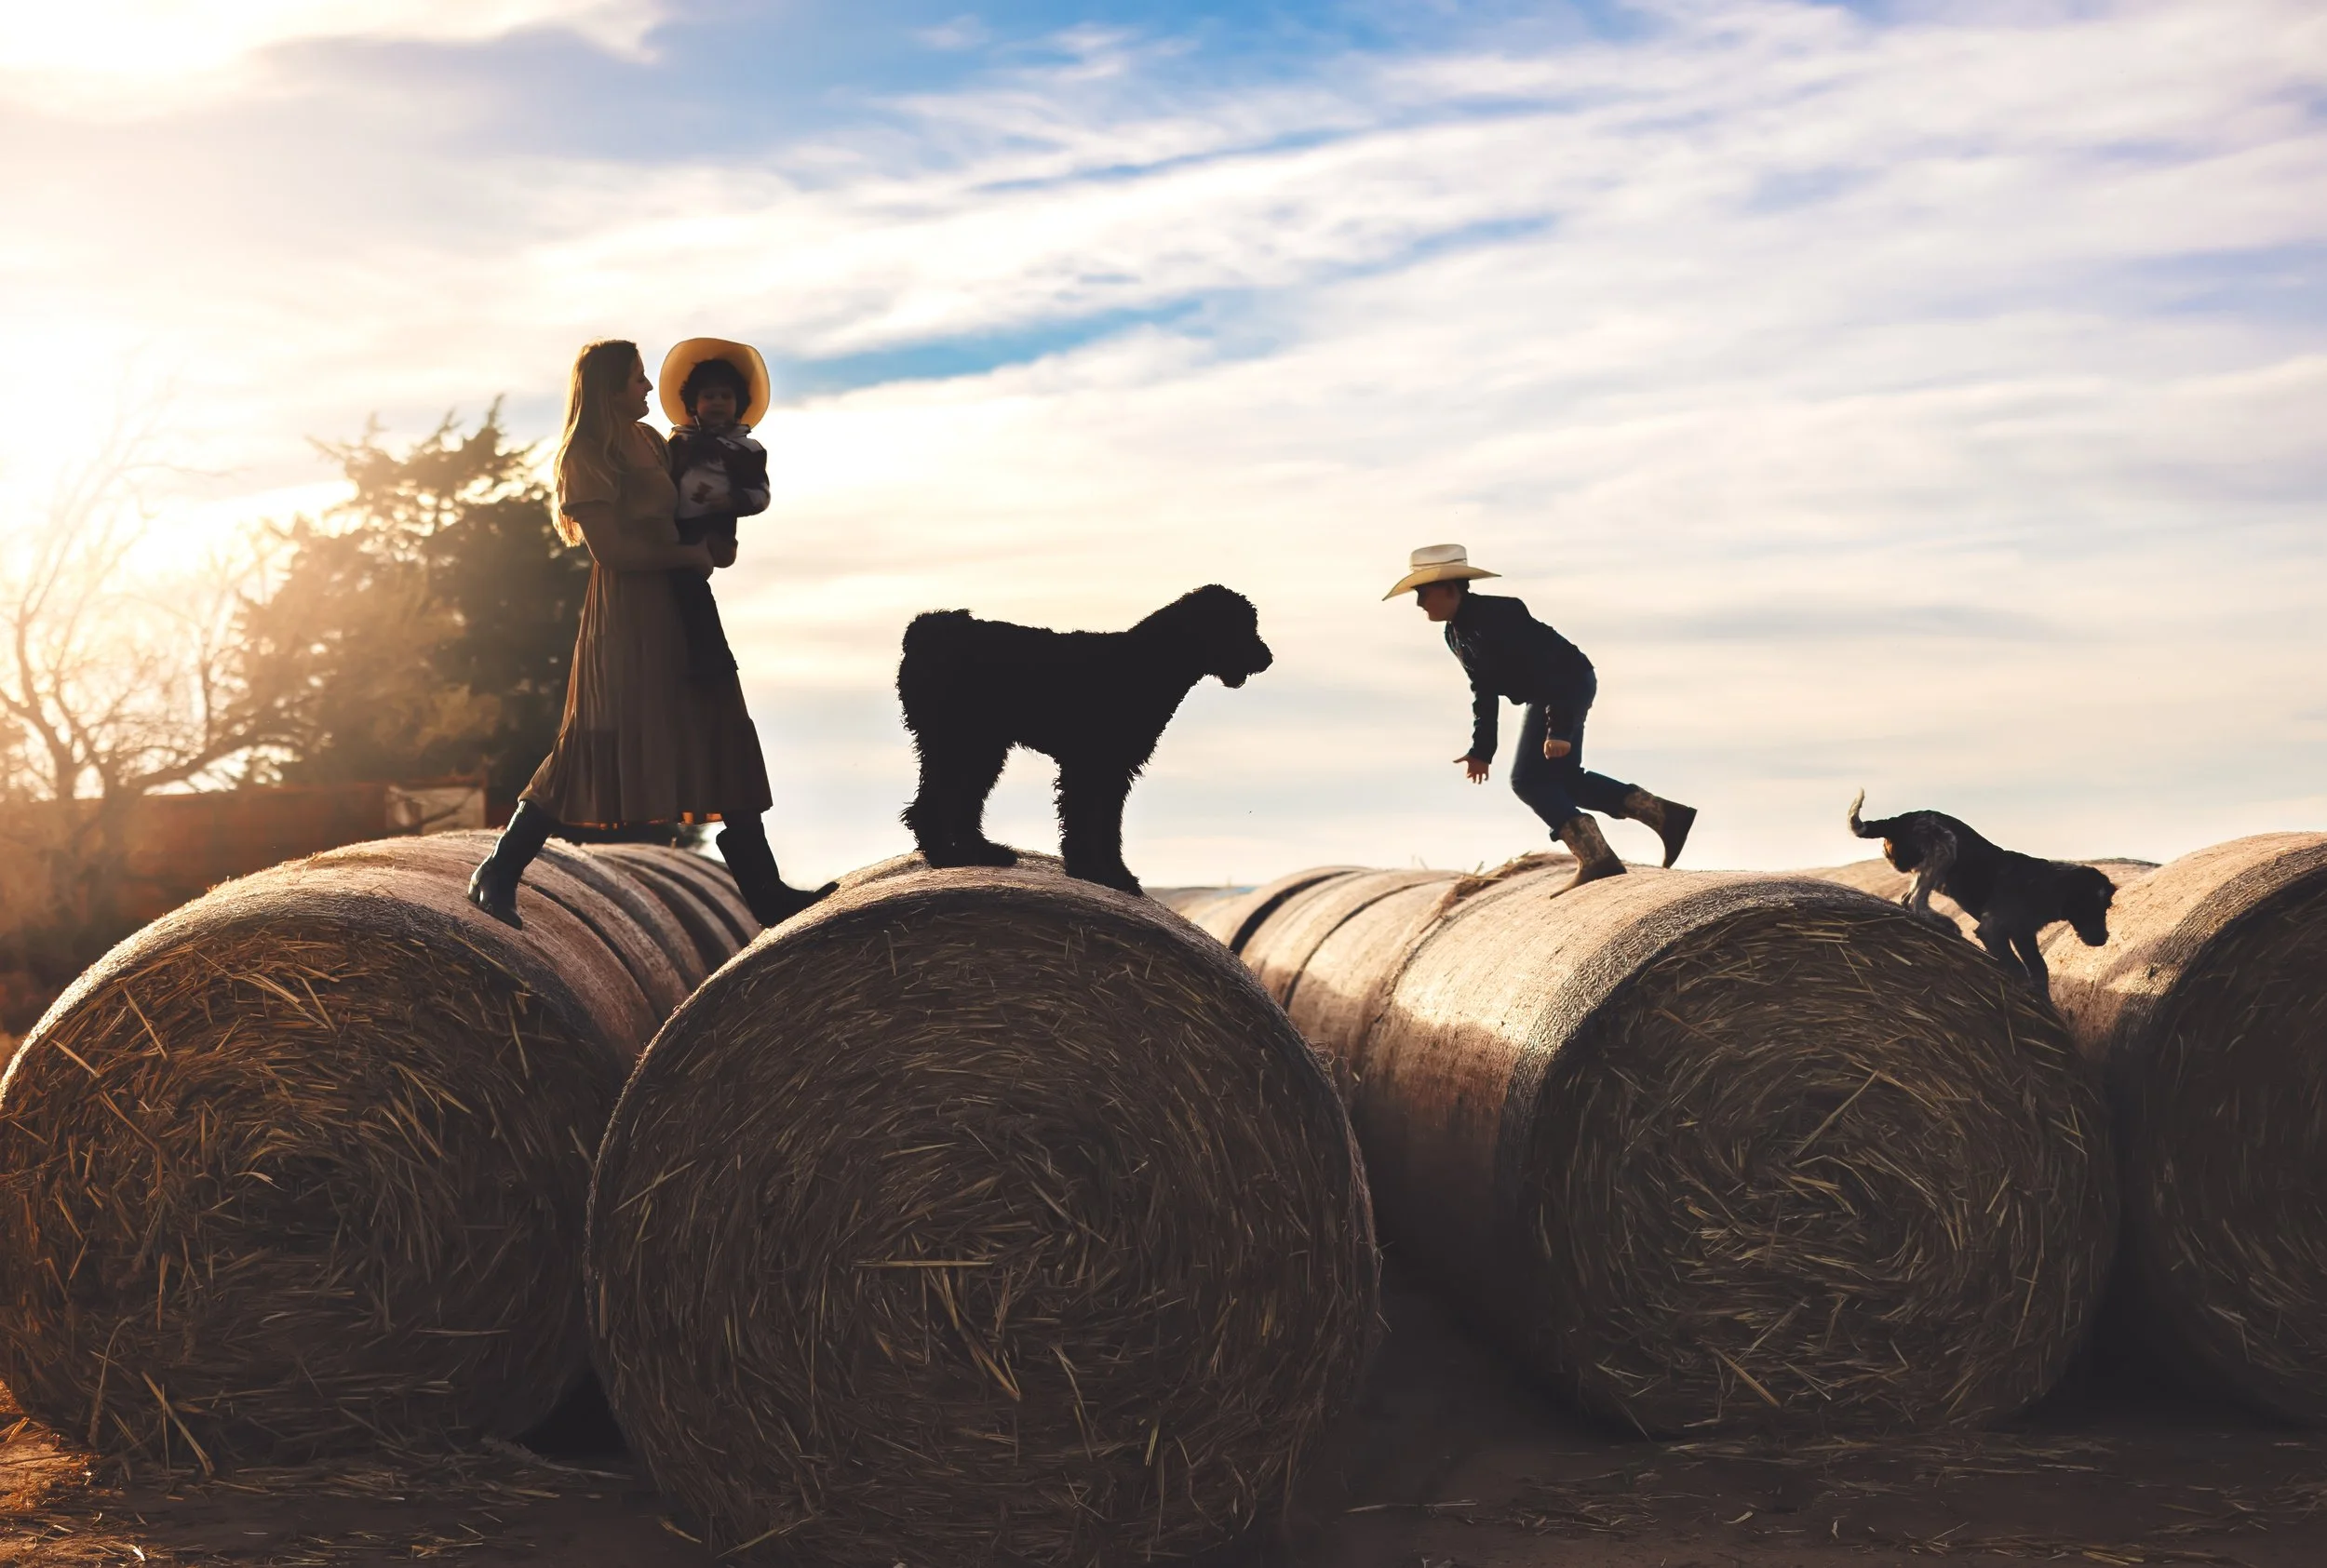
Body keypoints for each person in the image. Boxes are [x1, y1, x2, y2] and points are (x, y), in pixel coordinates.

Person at [467, 338, 831, 930]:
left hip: (683, 605)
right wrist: (687, 555)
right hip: (629, 614)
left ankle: (765, 892)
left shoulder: (653, 442)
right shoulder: (584, 455)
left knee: (718, 721)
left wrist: (723, 523)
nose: (647, 389)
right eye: (637, 379)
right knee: (594, 737)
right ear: (609, 388)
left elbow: (697, 504)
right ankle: (499, 870)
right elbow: (611, 551)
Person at [1388, 543, 1695, 889]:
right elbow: (1484, 692)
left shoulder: (1500, 614)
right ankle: (1664, 816)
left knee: (1529, 781)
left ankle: (1597, 856)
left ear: (1448, 589)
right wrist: (1481, 751)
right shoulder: (1455, 634)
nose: (1418, 603)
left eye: (1422, 593)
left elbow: (1553, 668)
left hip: (1566, 686)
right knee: (1562, 783)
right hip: (1546, 694)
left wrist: (1559, 728)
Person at [657, 338, 772, 686]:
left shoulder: (745, 449)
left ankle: (710, 660)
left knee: (690, 585)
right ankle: (684, 656)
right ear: (694, 403)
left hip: (712, 530)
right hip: (675, 525)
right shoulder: (678, 443)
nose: (717, 403)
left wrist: (730, 500)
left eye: (726, 396)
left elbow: (760, 495)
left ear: (739, 403)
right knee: (673, 590)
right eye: (709, 396)